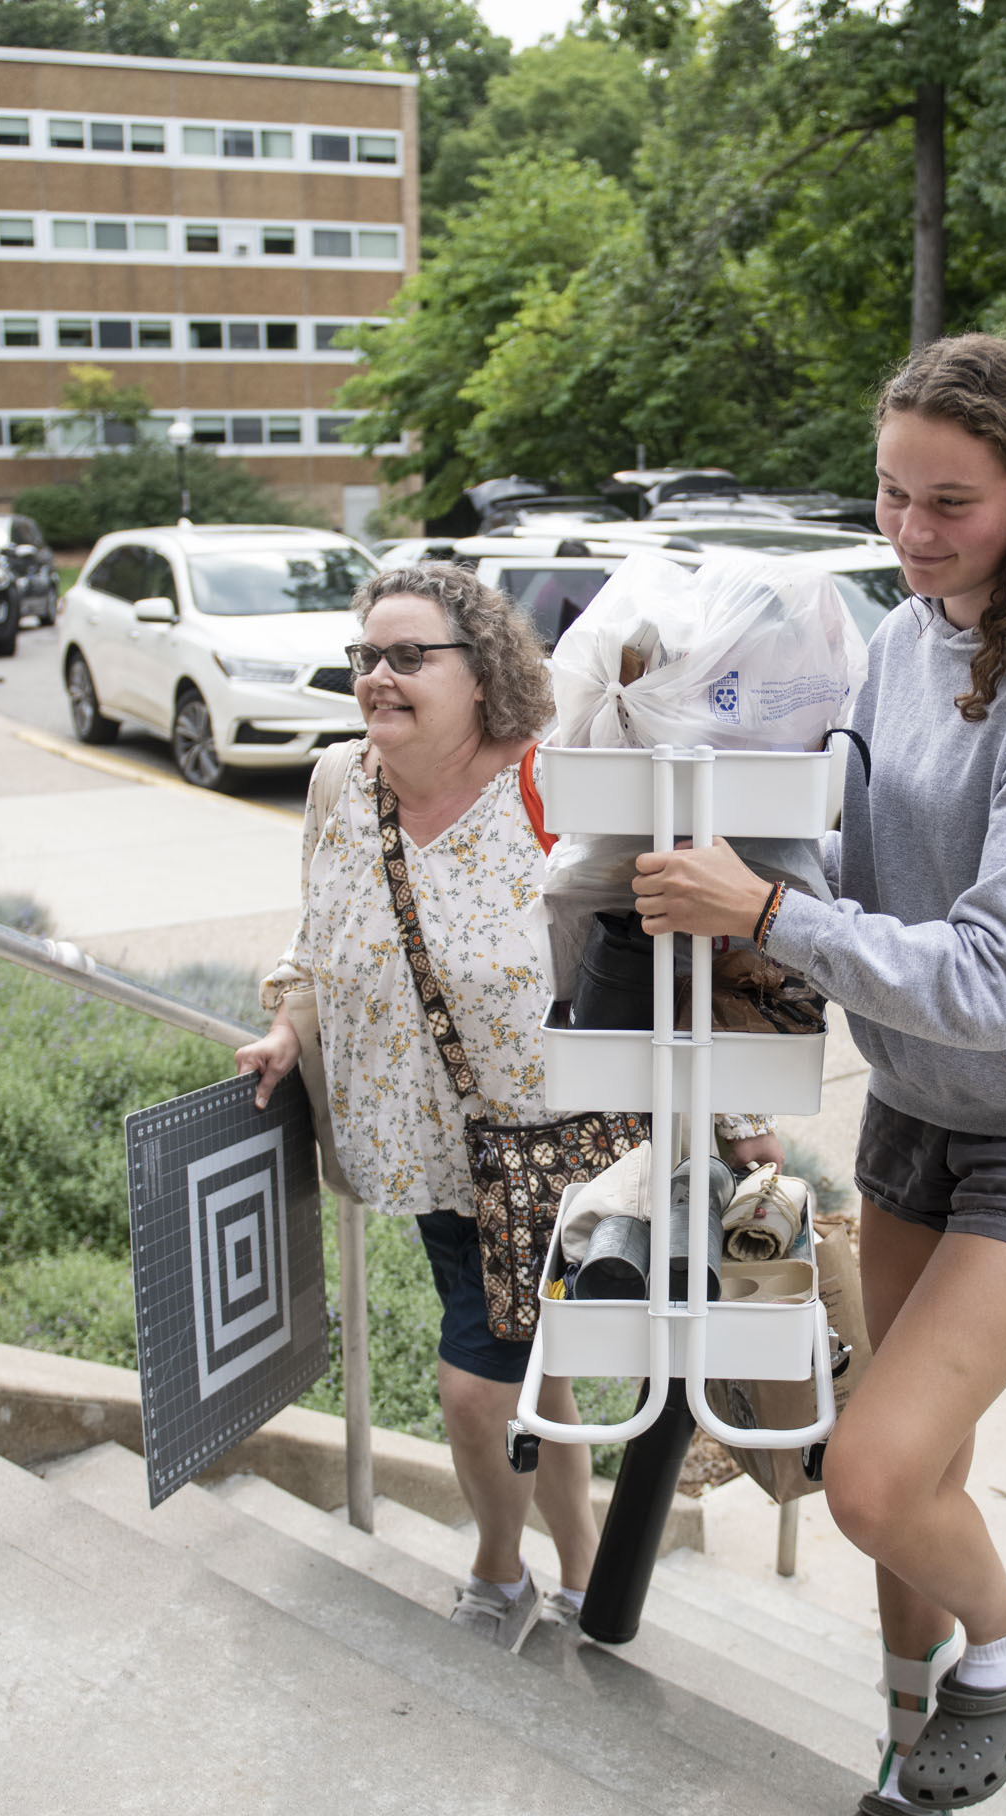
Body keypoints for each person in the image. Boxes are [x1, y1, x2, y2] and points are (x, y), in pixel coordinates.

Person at [632, 333, 1006, 1816]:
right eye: (891, 493)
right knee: (922, 1461)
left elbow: (997, 977)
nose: (915, 530)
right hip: (918, 1113)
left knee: (867, 1477)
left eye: (953, 501)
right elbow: (858, 867)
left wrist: (760, 917)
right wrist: (701, 798)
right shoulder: (904, 634)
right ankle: (904, 1743)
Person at [237, 564, 779, 1654]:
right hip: (439, 1157)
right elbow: (315, 931)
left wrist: (735, 1119)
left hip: (561, 1152)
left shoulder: (551, 786)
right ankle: (582, 1578)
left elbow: (666, 960)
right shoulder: (342, 783)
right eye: (364, 658)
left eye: (406, 657)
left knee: (482, 1390)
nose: (376, 679)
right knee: (539, 1365)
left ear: (481, 672)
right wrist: (292, 1020)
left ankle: (499, 1567)